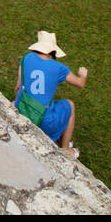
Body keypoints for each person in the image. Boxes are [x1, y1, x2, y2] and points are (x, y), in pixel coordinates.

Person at [14, 31, 87, 159]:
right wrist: (83, 75)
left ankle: (60, 137)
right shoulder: (58, 68)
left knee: (53, 106)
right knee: (69, 105)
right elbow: (80, 84)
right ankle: (65, 149)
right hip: (42, 120)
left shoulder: (26, 58)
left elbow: (18, 86)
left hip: (22, 108)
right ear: (53, 51)